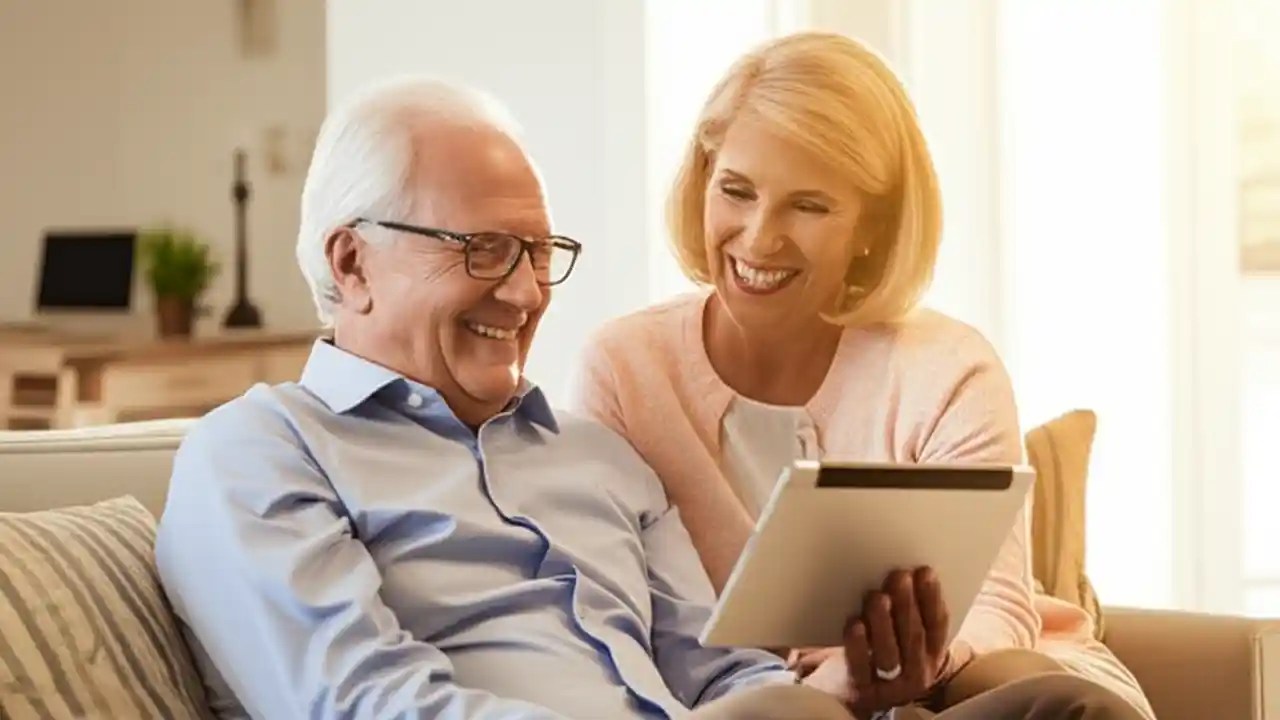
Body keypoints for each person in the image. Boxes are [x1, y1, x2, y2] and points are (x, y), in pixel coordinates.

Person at [154, 74, 1147, 720]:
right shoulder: (259, 453)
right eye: (485, 250)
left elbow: (724, 672)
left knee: (1064, 711)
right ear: (351, 263)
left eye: (539, 252)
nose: (525, 292)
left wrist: (844, 686)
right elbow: (364, 704)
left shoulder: (595, 456)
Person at [568, 31, 1156, 720]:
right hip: (760, 706)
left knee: (1029, 688)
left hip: (967, 685)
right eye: (736, 191)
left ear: (872, 227)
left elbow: (998, 606)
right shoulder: (625, 369)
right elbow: (612, 607)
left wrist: (914, 662)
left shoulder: (948, 371)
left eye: (808, 206)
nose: (759, 237)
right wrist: (821, 688)